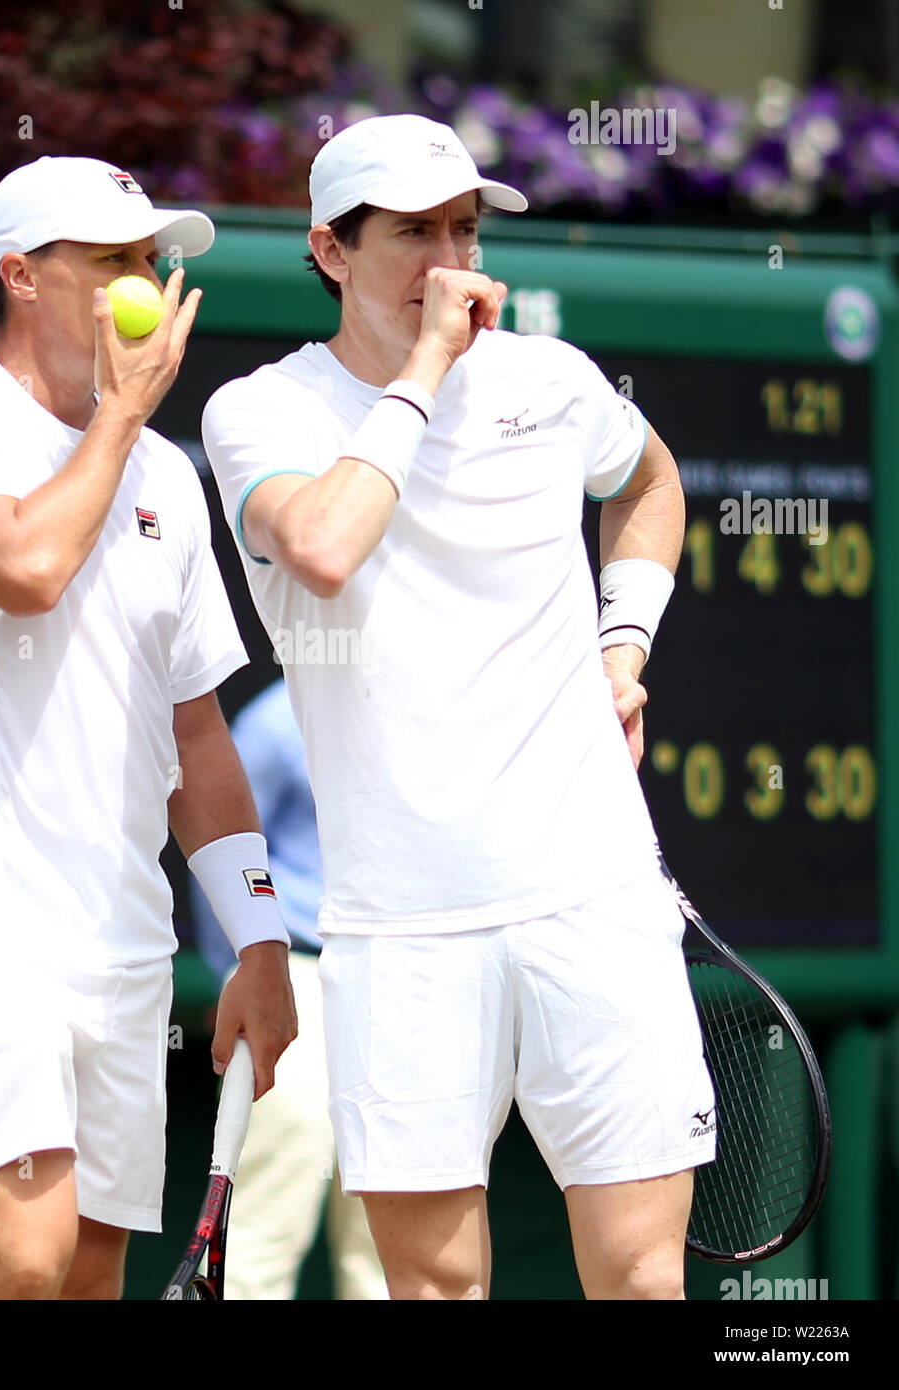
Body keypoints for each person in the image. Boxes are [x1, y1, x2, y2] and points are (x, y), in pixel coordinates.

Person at [201, 114, 715, 1301]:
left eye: (465, 229)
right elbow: (324, 547)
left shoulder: (550, 379)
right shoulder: (259, 413)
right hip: (400, 930)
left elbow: (649, 480)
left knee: (642, 1282)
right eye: (414, 233)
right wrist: (427, 368)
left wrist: (622, 644)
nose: (451, 259)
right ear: (331, 251)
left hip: (593, 898)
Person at [0, 156, 296, 1301]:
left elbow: (195, 733)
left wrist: (257, 941)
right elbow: (29, 566)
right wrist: (123, 416)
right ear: (19, 276)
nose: (142, 280)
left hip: (120, 937)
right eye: (108, 260)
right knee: (21, 1255)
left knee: (87, 1278)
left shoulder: (167, 475)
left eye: (149, 258)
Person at [190, 679, 386, 1300]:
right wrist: (247, 973)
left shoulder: (436, 708)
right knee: (259, 1236)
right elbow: (223, 858)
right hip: (294, 980)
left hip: (406, 984)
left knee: (396, 1248)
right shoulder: (276, 724)